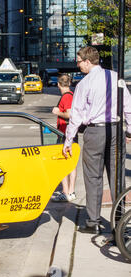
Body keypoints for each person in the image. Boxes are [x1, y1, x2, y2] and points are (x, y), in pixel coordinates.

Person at [63, 46, 131, 235]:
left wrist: (68, 140)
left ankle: (93, 221)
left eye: (78, 62)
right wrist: (130, 131)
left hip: (94, 132)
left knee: (93, 177)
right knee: (117, 177)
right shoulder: (115, 77)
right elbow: (128, 105)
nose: (78, 66)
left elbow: (76, 115)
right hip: (115, 129)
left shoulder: (84, 84)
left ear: (87, 61)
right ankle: (119, 222)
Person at [51, 74, 77, 202]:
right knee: (71, 163)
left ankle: (66, 192)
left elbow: (69, 114)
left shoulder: (66, 97)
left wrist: (57, 112)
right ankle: (70, 192)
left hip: (65, 134)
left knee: (63, 163)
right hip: (69, 133)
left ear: (58, 84)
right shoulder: (71, 95)